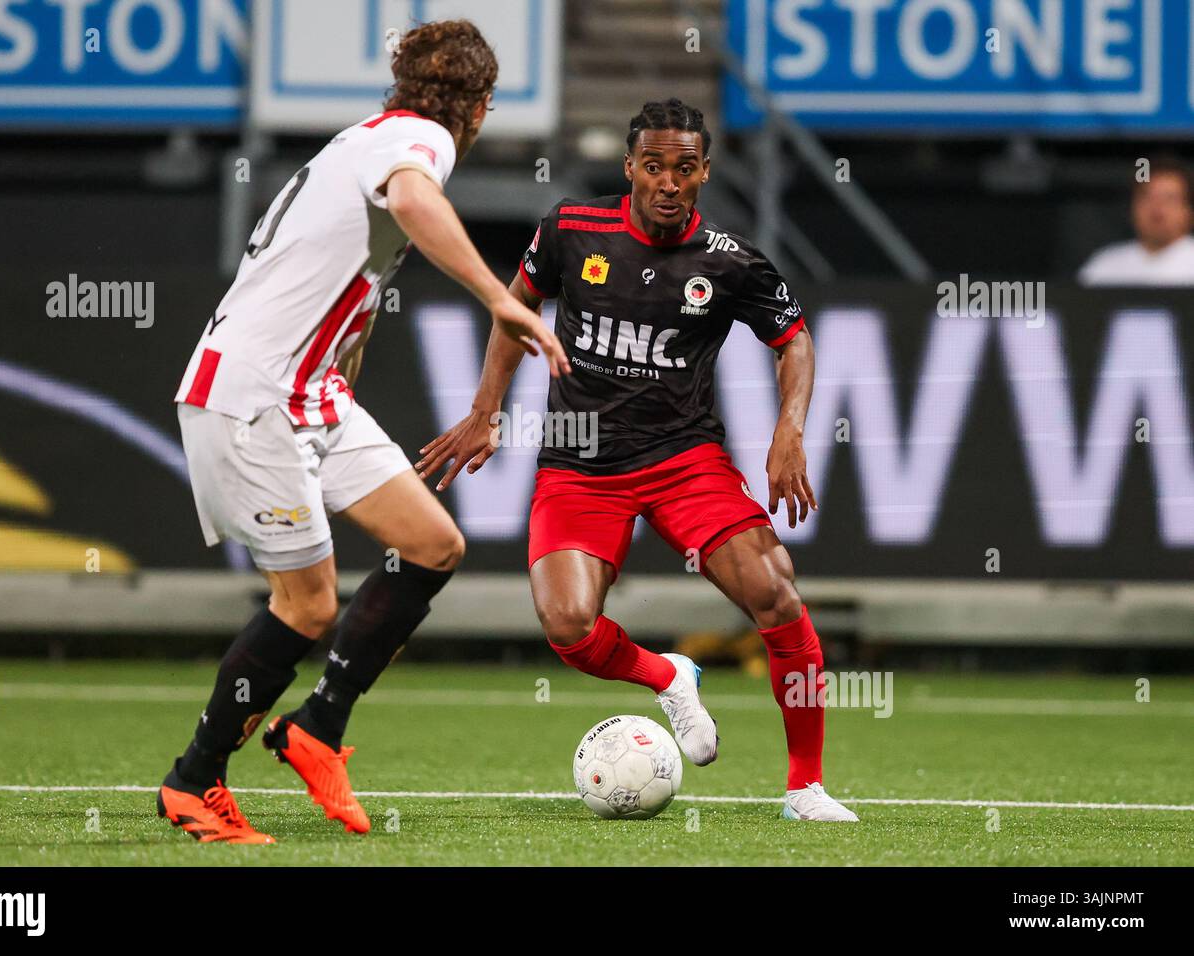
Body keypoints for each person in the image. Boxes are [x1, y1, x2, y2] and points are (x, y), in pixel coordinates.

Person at [159, 20, 568, 844]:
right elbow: (415, 203)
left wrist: (348, 367)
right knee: (305, 605)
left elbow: (355, 267)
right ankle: (193, 782)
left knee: (432, 543)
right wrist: (498, 296)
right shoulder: (424, 143)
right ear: (479, 108)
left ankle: (316, 727)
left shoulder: (364, 137)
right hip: (252, 396)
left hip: (308, 391)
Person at [418, 98, 858, 822]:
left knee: (777, 593)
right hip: (581, 463)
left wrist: (790, 430)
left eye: (684, 168)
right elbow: (513, 312)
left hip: (685, 459)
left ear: (704, 173)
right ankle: (669, 675)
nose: (668, 181)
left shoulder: (730, 261)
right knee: (567, 624)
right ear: (630, 168)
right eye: (653, 166)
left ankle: (805, 788)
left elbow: (795, 340)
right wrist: (484, 412)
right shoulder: (570, 230)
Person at [1078, 157, 1194, 286]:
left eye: (1169, 198)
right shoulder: (1105, 265)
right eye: (1147, 197)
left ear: (1188, 210)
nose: (1157, 208)